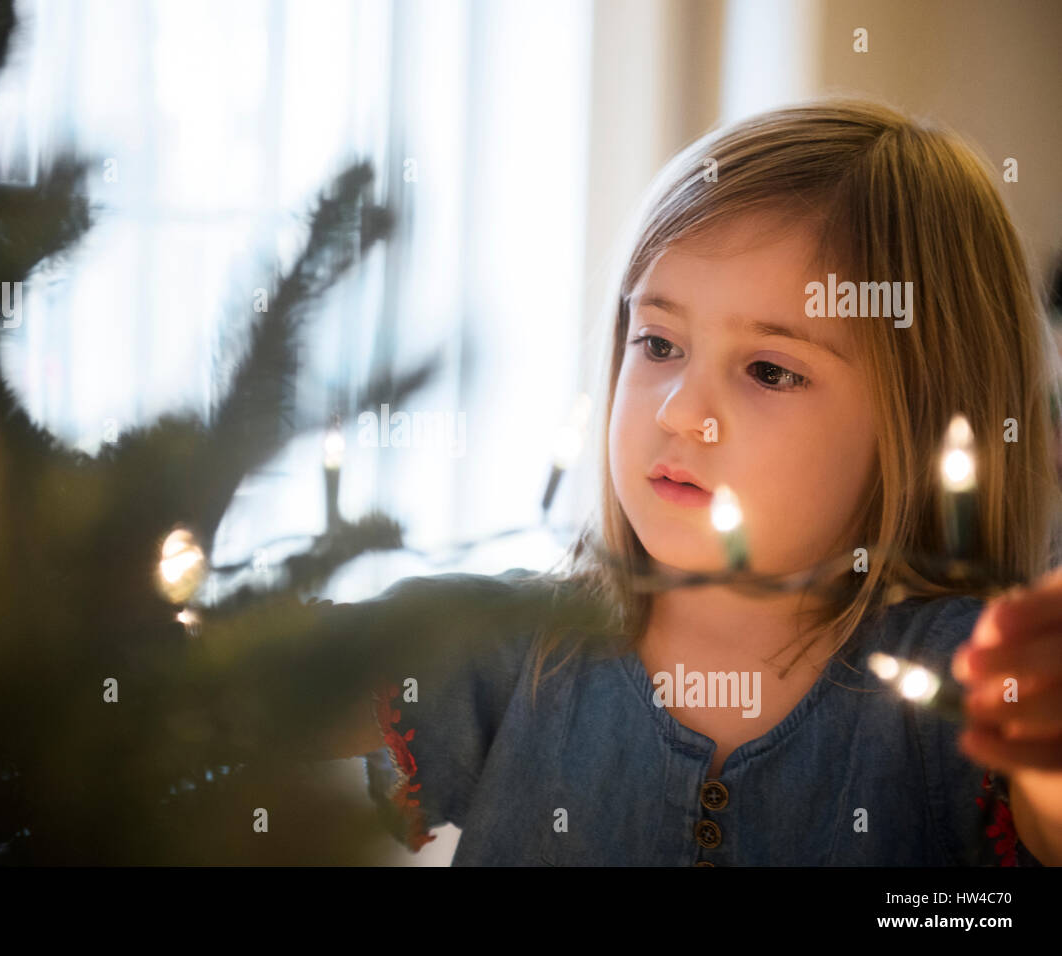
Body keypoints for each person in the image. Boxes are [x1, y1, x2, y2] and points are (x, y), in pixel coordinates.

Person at [349, 98, 1062, 865]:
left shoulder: (968, 681)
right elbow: (248, 689)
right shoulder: (508, 647)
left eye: (769, 370)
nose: (683, 411)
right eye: (658, 343)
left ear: (922, 427)